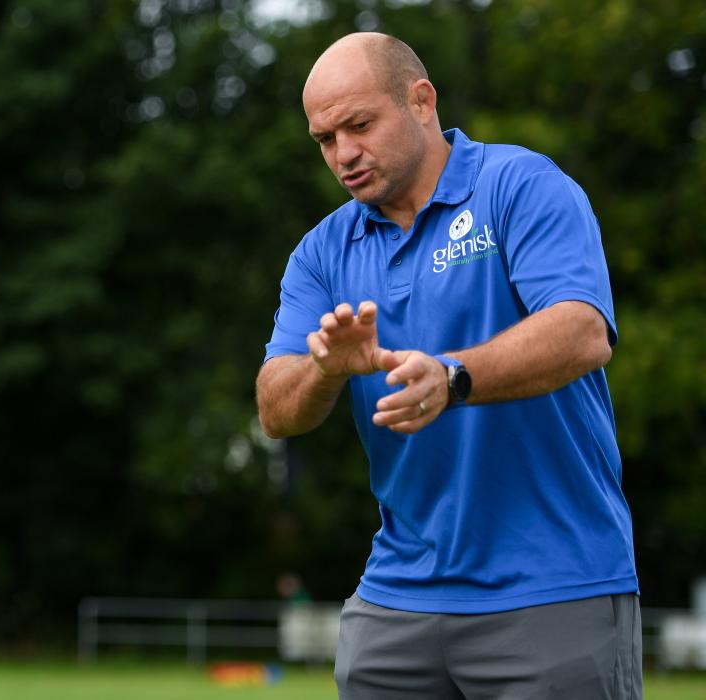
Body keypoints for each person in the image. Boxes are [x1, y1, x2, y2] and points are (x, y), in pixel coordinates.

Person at [256, 33, 640, 699]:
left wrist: (452, 377)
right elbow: (274, 409)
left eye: (359, 125)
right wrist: (325, 369)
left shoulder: (519, 185)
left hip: (554, 588)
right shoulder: (322, 252)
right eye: (325, 139)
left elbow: (582, 331)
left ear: (421, 101)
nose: (343, 154)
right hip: (395, 601)